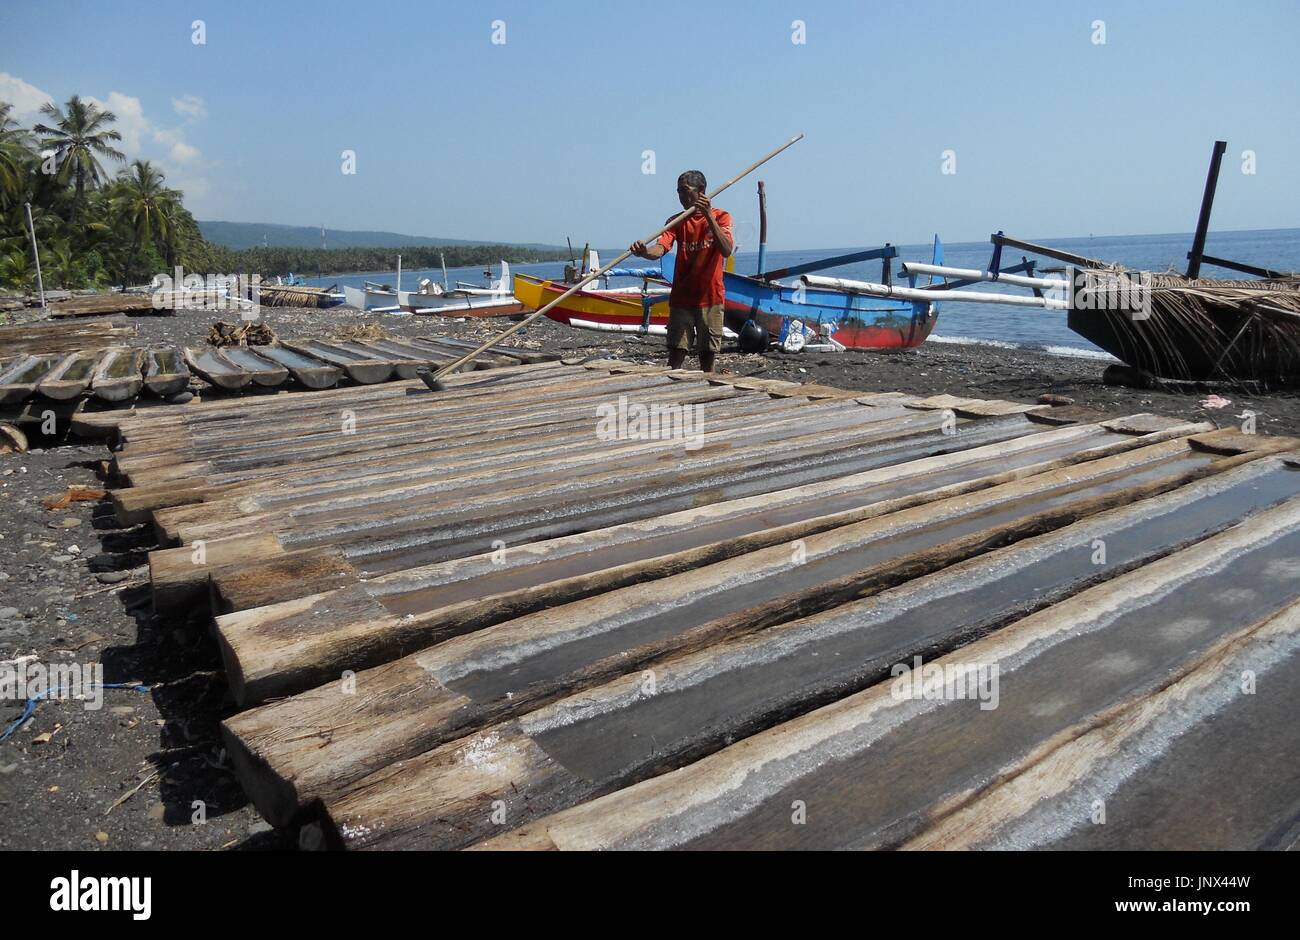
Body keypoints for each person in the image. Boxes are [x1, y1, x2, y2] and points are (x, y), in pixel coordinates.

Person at [630, 170, 733, 372]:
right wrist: (644, 252)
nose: (681, 198)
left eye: (685, 191)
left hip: (710, 297)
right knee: (676, 353)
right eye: (678, 192)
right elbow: (660, 249)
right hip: (682, 298)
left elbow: (726, 249)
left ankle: (707, 394)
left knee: (707, 355)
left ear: (701, 191)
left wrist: (708, 216)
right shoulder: (675, 221)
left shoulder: (721, 217)